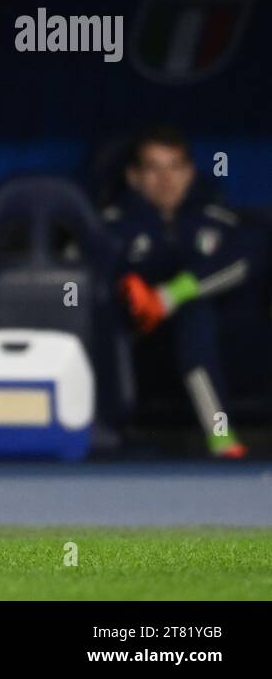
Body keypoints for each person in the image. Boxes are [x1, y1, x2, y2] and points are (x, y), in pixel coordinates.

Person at [103, 126, 265, 458]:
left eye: (175, 166)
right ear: (134, 177)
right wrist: (127, 288)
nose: (166, 179)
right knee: (194, 317)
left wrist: (169, 296)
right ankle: (222, 439)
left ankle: (222, 440)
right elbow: (91, 276)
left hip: (232, 350)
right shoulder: (112, 224)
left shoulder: (218, 218)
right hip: (144, 353)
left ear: (190, 172)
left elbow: (252, 257)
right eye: (154, 168)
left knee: (198, 312)